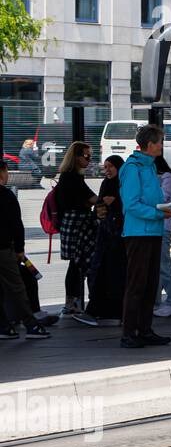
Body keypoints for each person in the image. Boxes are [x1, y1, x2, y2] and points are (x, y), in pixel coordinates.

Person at [118, 126, 171, 349]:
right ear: (149, 145)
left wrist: (162, 210)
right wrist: (159, 213)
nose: (161, 145)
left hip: (152, 231)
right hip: (139, 233)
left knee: (150, 284)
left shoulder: (148, 167)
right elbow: (131, 204)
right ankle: (129, 333)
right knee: (137, 284)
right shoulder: (133, 168)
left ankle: (144, 329)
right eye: (159, 142)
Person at [0, 158, 52, 340]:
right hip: (3, 249)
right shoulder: (6, 196)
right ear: (3, 171)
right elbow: (16, 225)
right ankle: (31, 325)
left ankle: (4, 326)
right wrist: (19, 249)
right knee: (16, 287)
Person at [54, 141, 98, 326]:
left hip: (70, 223)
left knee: (76, 263)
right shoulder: (72, 178)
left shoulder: (67, 176)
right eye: (86, 156)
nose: (89, 159)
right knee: (78, 262)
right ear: (77, 157)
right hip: (77, 223)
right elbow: (92, 198)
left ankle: (71, 302)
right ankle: (72, 303)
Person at [85, 155, 126, 324]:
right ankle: (98, 310)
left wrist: (115, 202)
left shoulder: (123, 185)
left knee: (116, 274)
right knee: (99, 272)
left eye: (111, 167)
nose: (107, 170)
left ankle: (116, 312)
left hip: (119, 237)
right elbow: (98, 208)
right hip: (104, 236)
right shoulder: (106, 183)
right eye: (105, 167)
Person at [153, 154, 171, 317]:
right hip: (155, 225)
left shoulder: (167, 177)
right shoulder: (160, 177)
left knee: (164, 264)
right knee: (157, 265)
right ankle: (156, 302)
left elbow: (164, 198)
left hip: (163, 226)